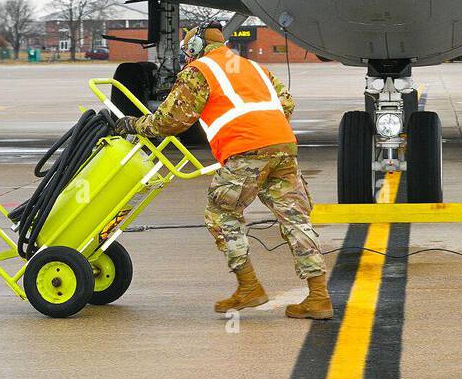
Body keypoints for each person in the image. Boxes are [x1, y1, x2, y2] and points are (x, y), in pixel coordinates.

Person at [113, 25, 333, 319]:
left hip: (245, 150)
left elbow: (171, 121)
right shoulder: (251, 66)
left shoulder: (200, 70)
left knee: (221, 214)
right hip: (283, 146)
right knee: (294, 217)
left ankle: (249, 287)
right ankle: (319, 297)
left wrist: (132, 124)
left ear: (195, 48)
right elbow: (286, 102)